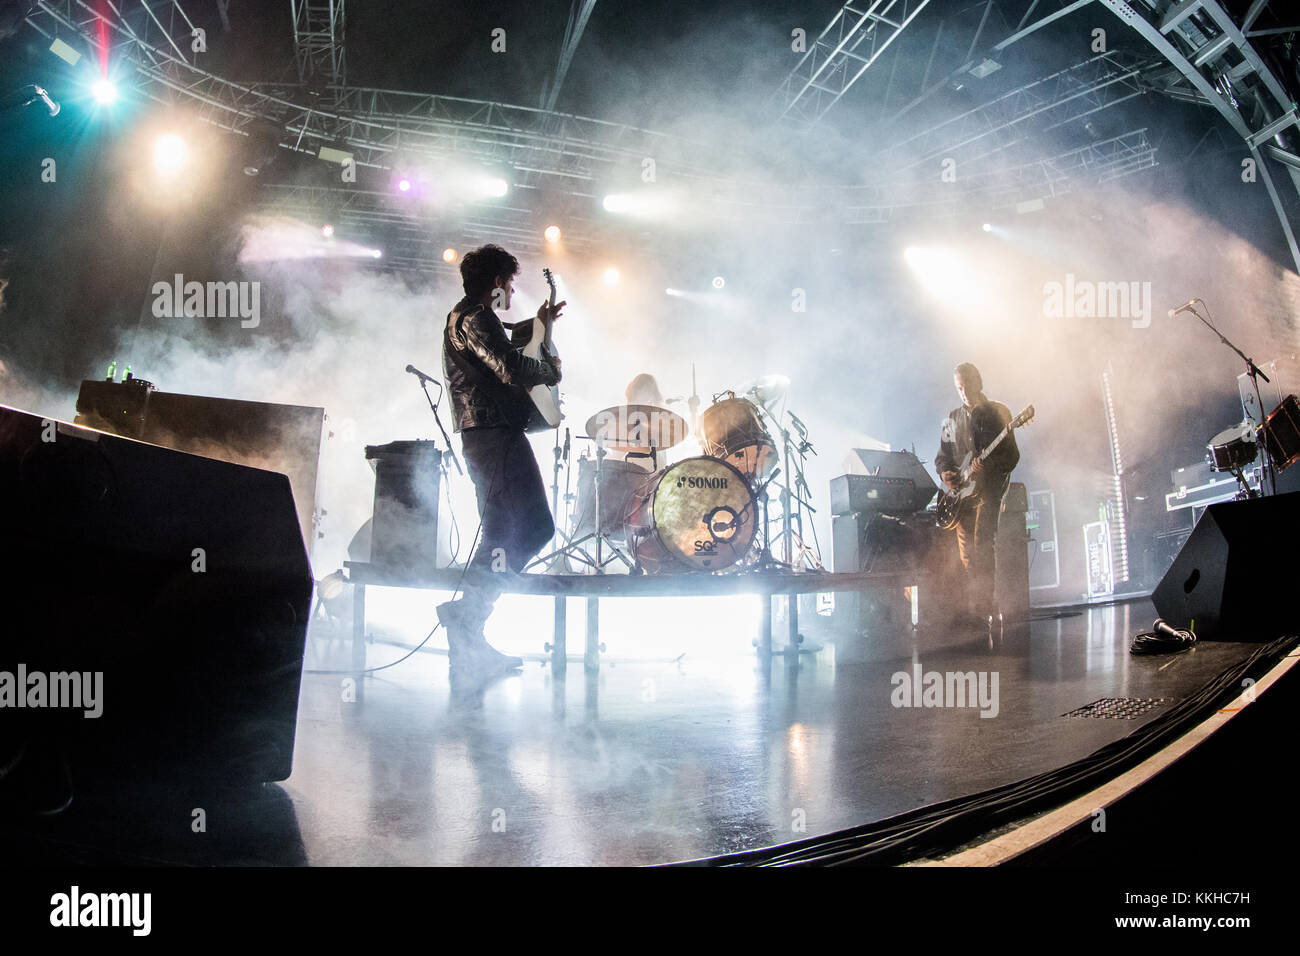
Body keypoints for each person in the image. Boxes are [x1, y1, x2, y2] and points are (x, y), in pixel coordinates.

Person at [439, 244, 565, 677]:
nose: (511, 292)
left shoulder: (471, 317)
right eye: (509, 284)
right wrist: (551, 370)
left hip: (489, 435)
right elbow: (510, 366)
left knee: (505, 531)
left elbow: (503, 340)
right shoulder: (475, 317)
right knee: (530, 527)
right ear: (496, 283)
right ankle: (468, 617)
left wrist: (539, 326)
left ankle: (469, 627)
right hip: (492, 435)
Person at [935, 362, 1020, 630]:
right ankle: (978, 607)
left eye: (967, 386)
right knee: (967, 553)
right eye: (959, 388)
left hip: (990, 489)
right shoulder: (951, 418)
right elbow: (942, 457)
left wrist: (988, 466)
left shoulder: (999, 412)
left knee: (983, 542)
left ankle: (988, 607)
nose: (964, 393)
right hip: (963, 493)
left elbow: (1011, 456)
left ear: (978, 383)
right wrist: (946, 474)